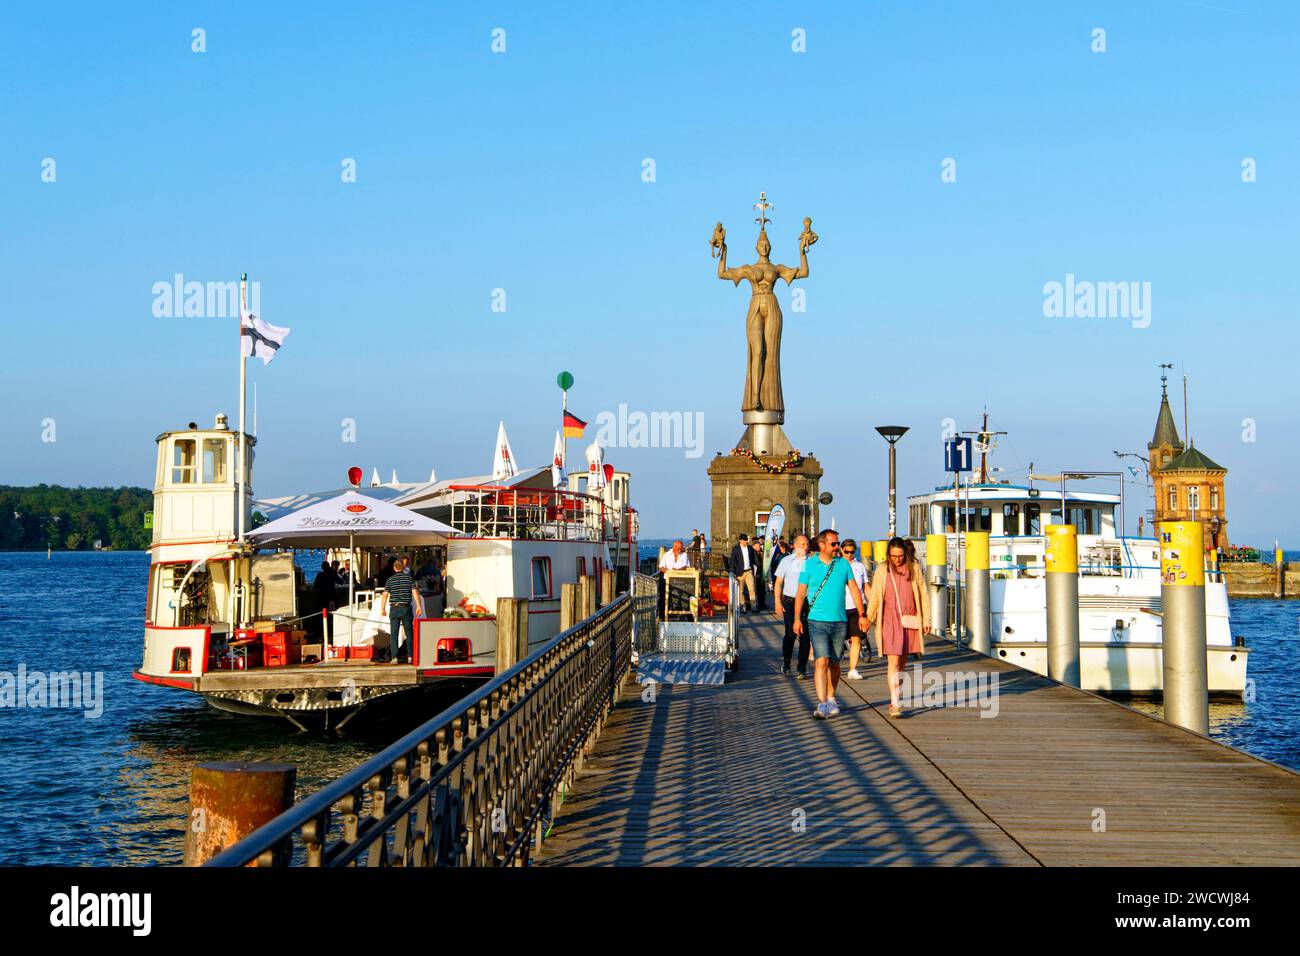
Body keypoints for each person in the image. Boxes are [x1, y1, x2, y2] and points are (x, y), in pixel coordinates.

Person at [794, 529, 865, 719]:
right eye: (834, 544)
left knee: (834, 663)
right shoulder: (809, 565)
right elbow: (801, 593)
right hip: (816, 620)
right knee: (821, 661)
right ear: (822, 545)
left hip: (839, 621)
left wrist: (862, 614)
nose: (837, 548)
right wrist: (796, 619)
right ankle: (823, 702)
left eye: (838, 544)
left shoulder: (843, 564)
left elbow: (854, 589)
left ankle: (832, 698)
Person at [866, 536, 930, 718]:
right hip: (889, 619)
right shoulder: (882, 569)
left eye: (900, 556)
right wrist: (868, 617)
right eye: (894, 556)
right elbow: (876, 597)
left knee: (902, 662)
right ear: (888, 555)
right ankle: (895, 702)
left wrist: (926, 620)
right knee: (893, 661)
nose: (897, 559)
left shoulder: (914, 568)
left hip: (909, 619)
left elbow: (923, 594)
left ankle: (897, 696)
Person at [773, 533, 810, 677]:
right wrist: (777, 601)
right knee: (790, 634)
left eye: (807, 544)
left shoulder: (812, 561)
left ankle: (802, 668)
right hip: (789, 601)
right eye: (802, 544)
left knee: (805, 636)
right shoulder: (786, 561)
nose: (805, 548)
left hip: (806, 602)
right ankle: (786, 662)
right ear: (794, 545)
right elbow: (778, 582)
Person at [840, 539, 872, 678]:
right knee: (841, 637)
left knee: (856, 638)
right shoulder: (836, 565)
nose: (849, 554)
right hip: (840, 607)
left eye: (852, 552)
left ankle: (853, 669)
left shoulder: (860, 566)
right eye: (846, 552)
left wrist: (872, 606)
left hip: (857, 607)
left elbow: (866, 587)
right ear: (841, 550)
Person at [380, 558, 421, 664]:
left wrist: (382, 608)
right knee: (409, 632)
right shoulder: (409, 579)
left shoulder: (390, 580)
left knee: (394, 633)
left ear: (394, 568)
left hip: (394, 608)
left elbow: (384, 595)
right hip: (406, 608)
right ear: (403, 567)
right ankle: (410, 656)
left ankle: (394, 658)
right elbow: (415, 592)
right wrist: (418, 606)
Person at [729, 533, 759, 613]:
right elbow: (732, 561)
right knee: (741, 591)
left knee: (752, 589)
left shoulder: (750, 548)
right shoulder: (736, 549)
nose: (747, 541)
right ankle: (743, 607)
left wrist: (754, 569)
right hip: (740, 573)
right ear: (740, 540)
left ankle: (754, 607)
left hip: (749, 571)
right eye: (745, 540)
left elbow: (753, 559)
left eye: (747, 540)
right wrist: (732, 572)